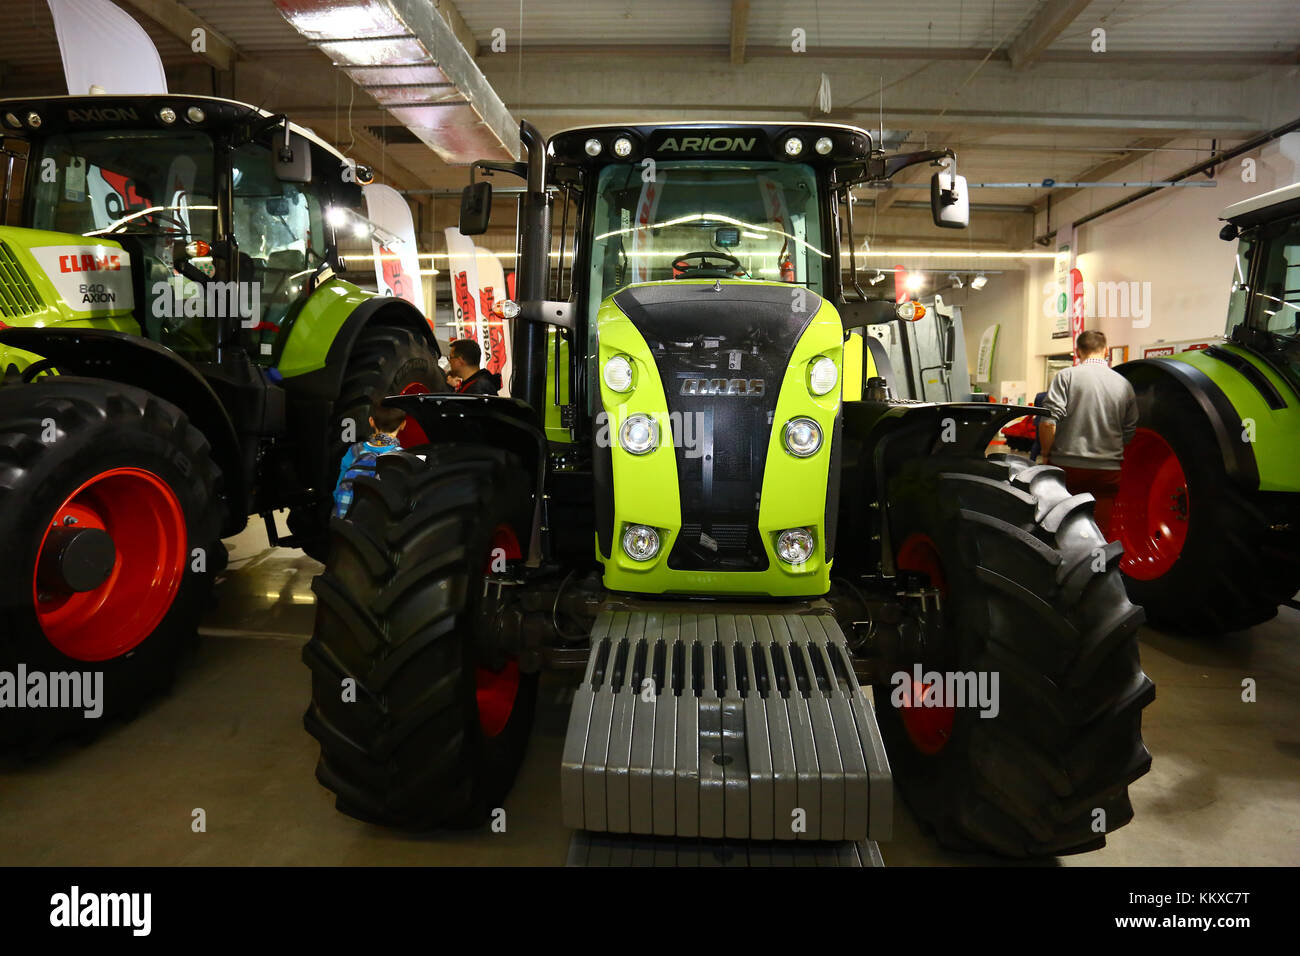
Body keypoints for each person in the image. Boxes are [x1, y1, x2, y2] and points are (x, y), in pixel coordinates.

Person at [1039, 330, 1138, 538]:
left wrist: (1046, 453)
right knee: (1100, 529)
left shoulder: (1066, 377)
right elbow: (1129, 430)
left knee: (1064, 525)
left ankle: (1067, 567)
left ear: (1078, 351)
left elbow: (1048, 422)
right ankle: (1099, 566)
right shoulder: (1123, 384)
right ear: (1106, 351)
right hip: (1107, 470)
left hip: (1068, 467)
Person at [333, 404, 406, 518]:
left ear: (371, 421)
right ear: (403, 424)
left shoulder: (354, 450)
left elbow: (338, 489)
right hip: (376, 525)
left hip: (344, 520)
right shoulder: (403, 457)